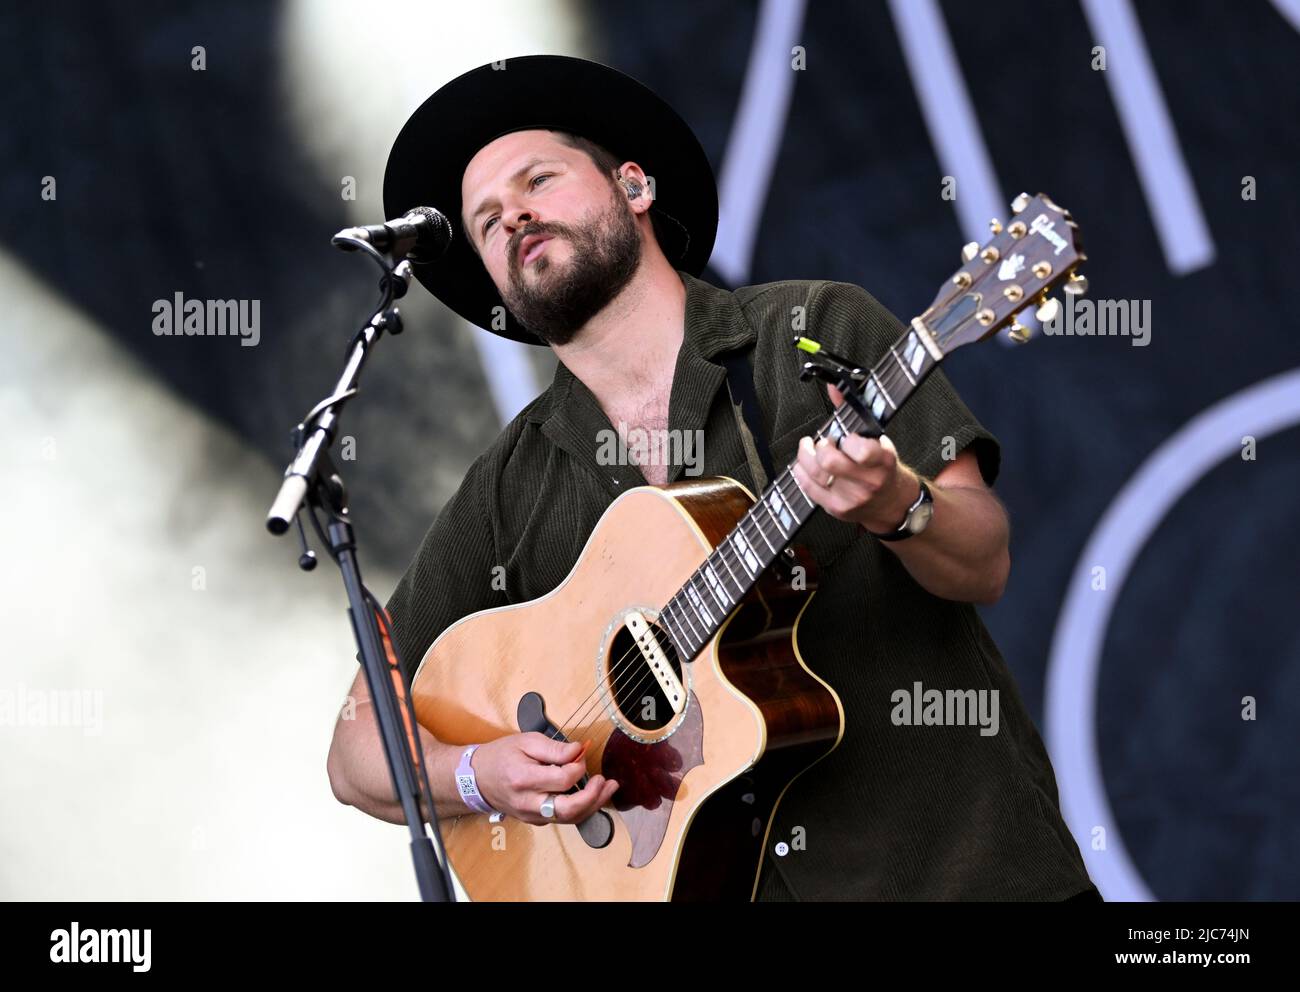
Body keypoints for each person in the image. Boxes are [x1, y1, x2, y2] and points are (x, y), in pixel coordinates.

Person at [326, 55, 1098, 902]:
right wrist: (477, 776)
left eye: (538, 180)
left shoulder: (812, 332)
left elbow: (983, 559)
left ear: (634, 186)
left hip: (964, 877)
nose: (515, 217)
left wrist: (898, 504)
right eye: (487, 222)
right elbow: (357, 750)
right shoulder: (509, 485)